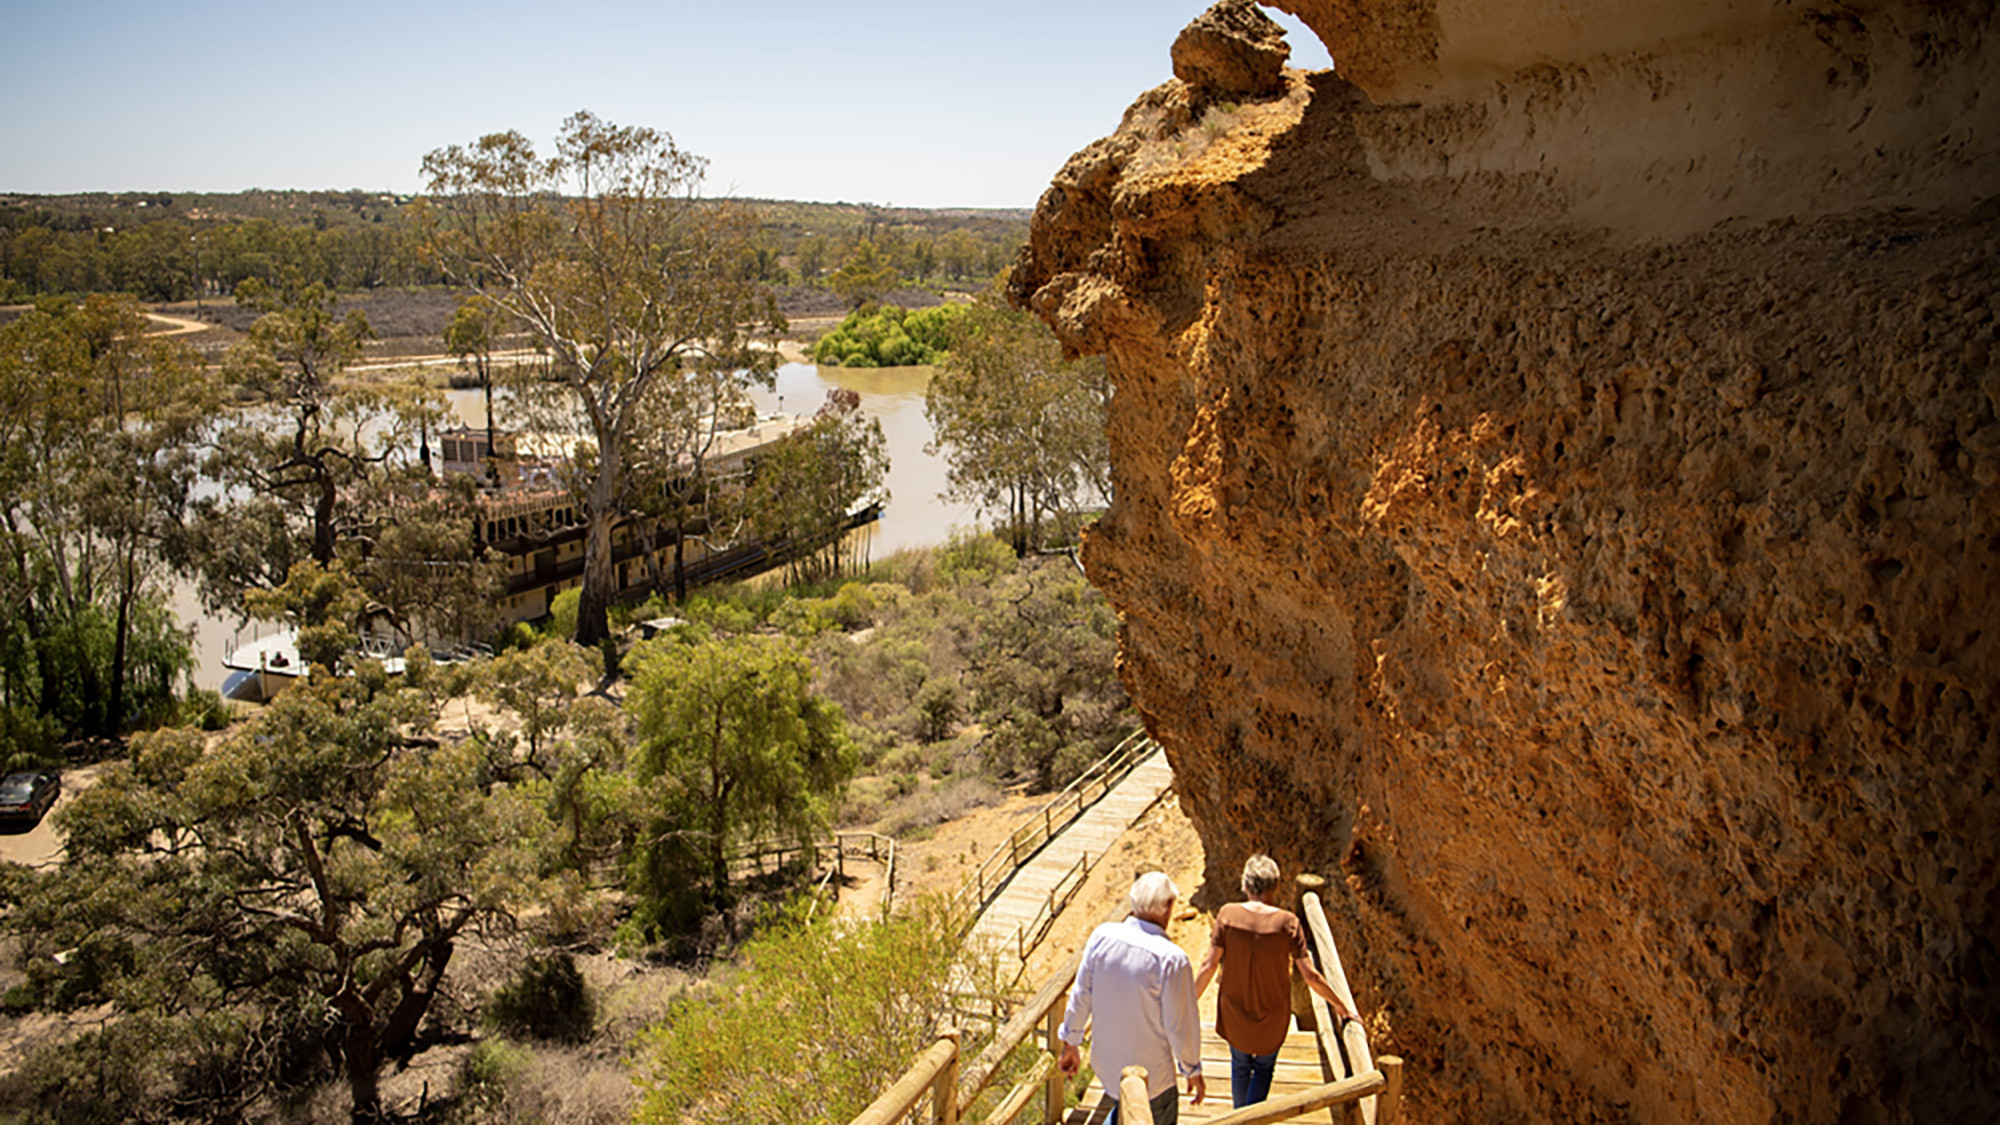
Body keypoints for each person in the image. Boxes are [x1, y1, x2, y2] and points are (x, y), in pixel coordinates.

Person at [1193, 854, 1362, 1108]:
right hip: (1272, 1019)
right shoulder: (1288, 924)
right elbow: (1310, 976)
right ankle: (1251, 1119)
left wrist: (1186, 1003)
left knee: (1239, 1067)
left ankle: (1241, 1117)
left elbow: (1208, 965)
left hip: (1235, 1015)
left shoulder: (1227, 915)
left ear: (1245, 885)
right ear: (1276, 886)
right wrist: (1341, 1006)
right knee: (1263, 1069)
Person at [1057, 871, 1206, 1124]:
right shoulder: (1171, 959)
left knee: (1120, 1108)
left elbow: (1081, 995)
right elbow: (1180, 1024)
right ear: (1169, 908)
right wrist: (1191, 1069)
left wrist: (1071, 1043)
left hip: (1108, 1065)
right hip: (1152, 1077)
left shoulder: (1102, 937)